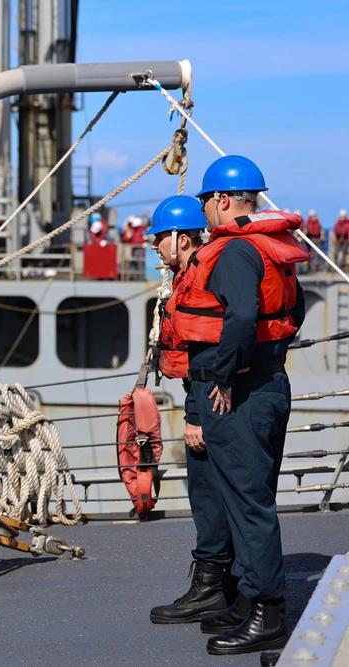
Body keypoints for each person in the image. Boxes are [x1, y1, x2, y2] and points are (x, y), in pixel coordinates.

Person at [175, 155, 310, 656]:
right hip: (270, 382)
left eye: (205, 204)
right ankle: (248, 599)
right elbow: (293, 309)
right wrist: (266, 360)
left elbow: (239, 318)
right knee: (246, 498)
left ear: (221, 200)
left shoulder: (235, 250)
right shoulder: (272, 247)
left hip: (242, 393)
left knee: (249, 504)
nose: (205, 213)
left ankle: (268, 614)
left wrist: (227, 377)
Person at [145, 196, 245, 627]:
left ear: (181, 240)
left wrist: (195, 416)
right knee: (219, 495)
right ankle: (230, 587)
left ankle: (210, 588)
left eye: (158, 239)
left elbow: (202, 359)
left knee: (207, 496)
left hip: (210, 399)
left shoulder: (200, 279)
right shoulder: (193, 275)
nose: (153, 246)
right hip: (211, 394)